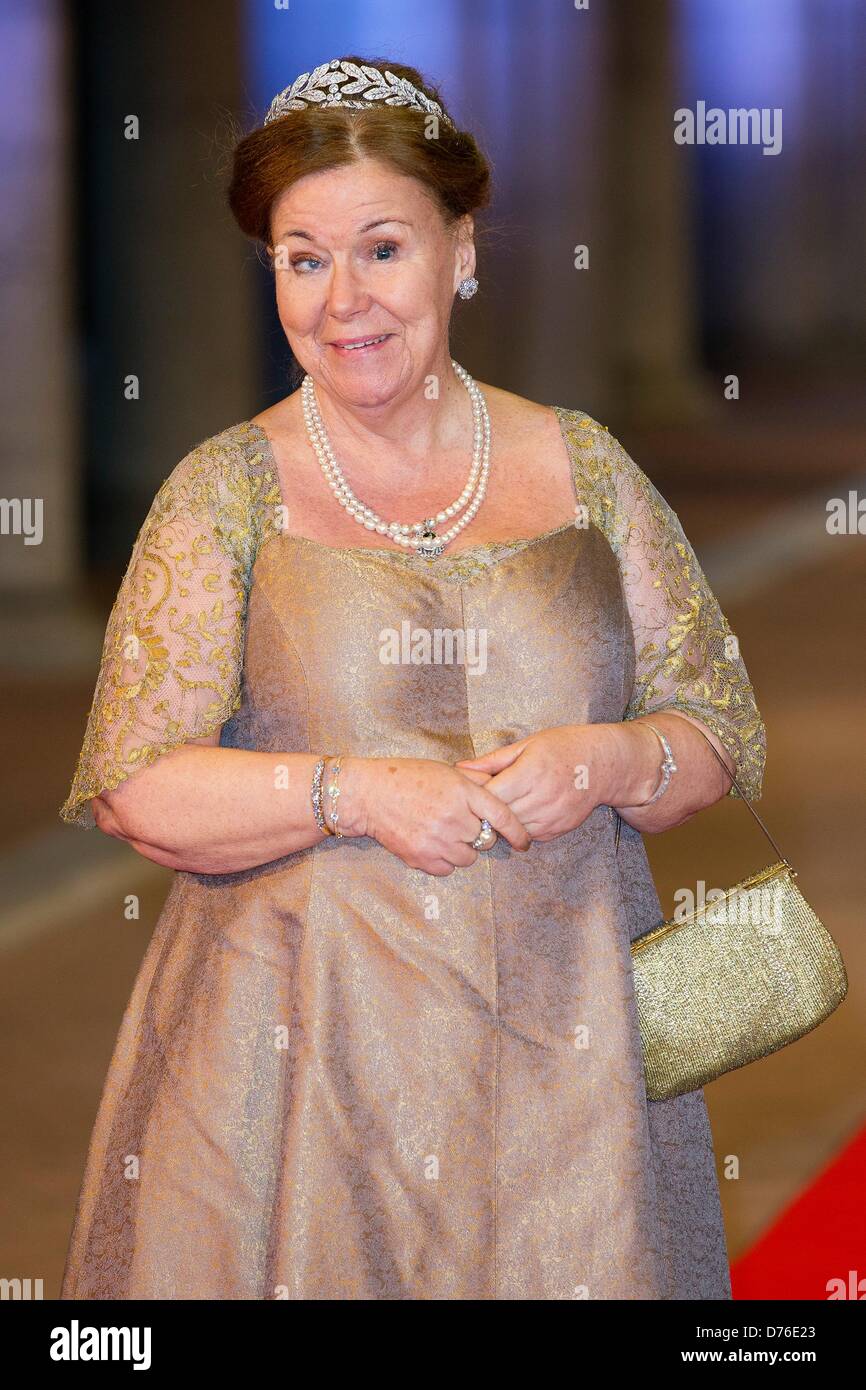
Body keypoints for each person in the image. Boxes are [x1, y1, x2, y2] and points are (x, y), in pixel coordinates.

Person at [59, 55, 766, 1300]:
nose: (342, 302)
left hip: (570, 1070)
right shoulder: (223, 491)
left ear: (461, 248)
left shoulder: (585, 467)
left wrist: (605, 758)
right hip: (296, 1073)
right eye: (301, 256)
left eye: (380, 248)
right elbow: (133, 784)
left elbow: (713, 724)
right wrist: (350, 791)